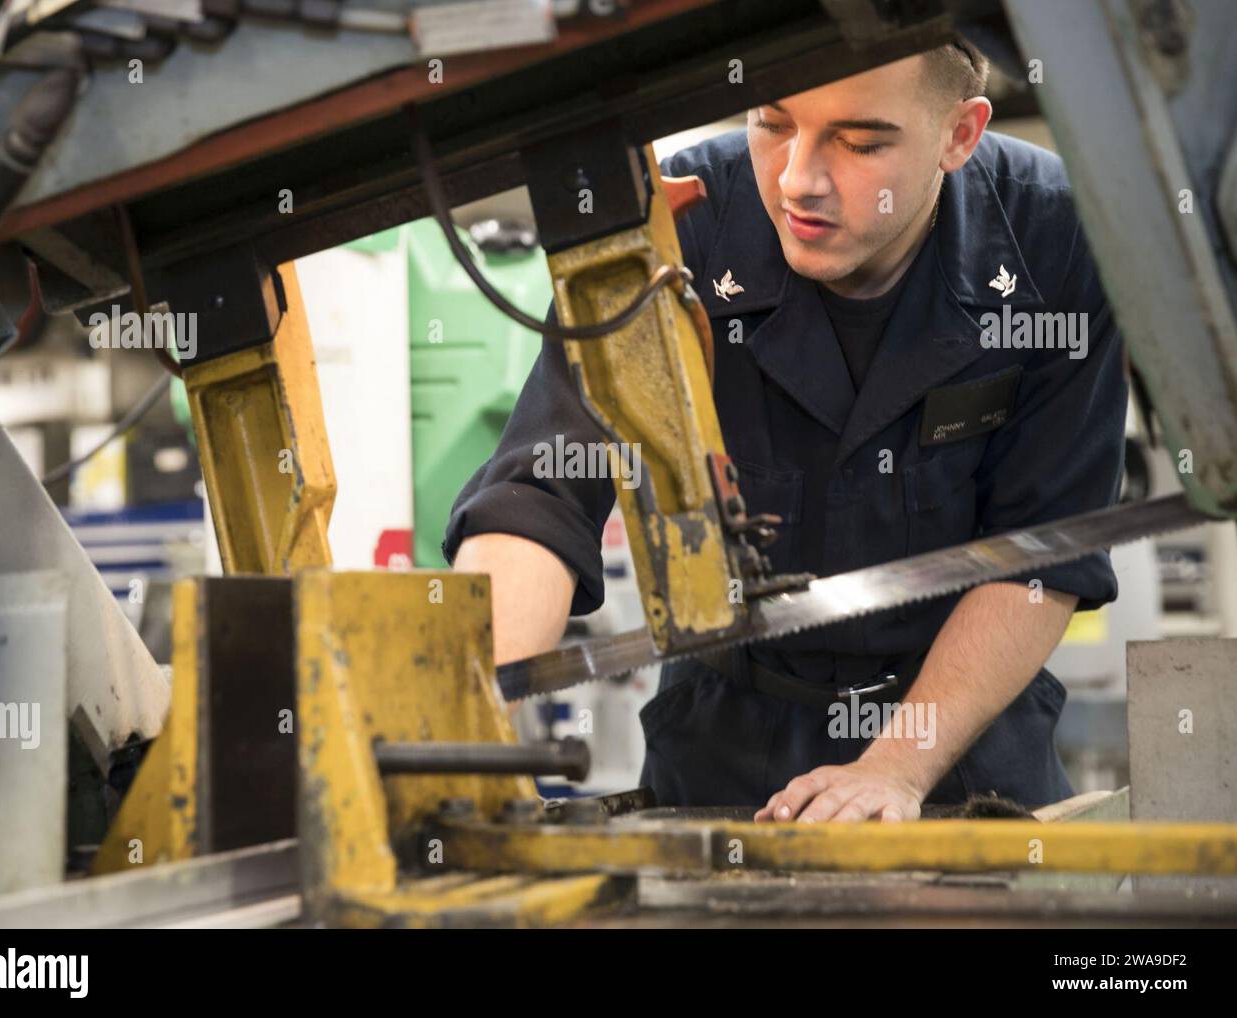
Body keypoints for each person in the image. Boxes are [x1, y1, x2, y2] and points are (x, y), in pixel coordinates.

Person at [444, 41, 1126, 822]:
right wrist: (466, 737)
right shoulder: (673, 230)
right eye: (771, 122)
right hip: (725, 752)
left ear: (959, 135)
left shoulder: (1057, 239)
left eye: (861, 142)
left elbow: (1043, 552)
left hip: (963, 751)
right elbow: (540, 497)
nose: (800, 179)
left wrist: (898, 767)